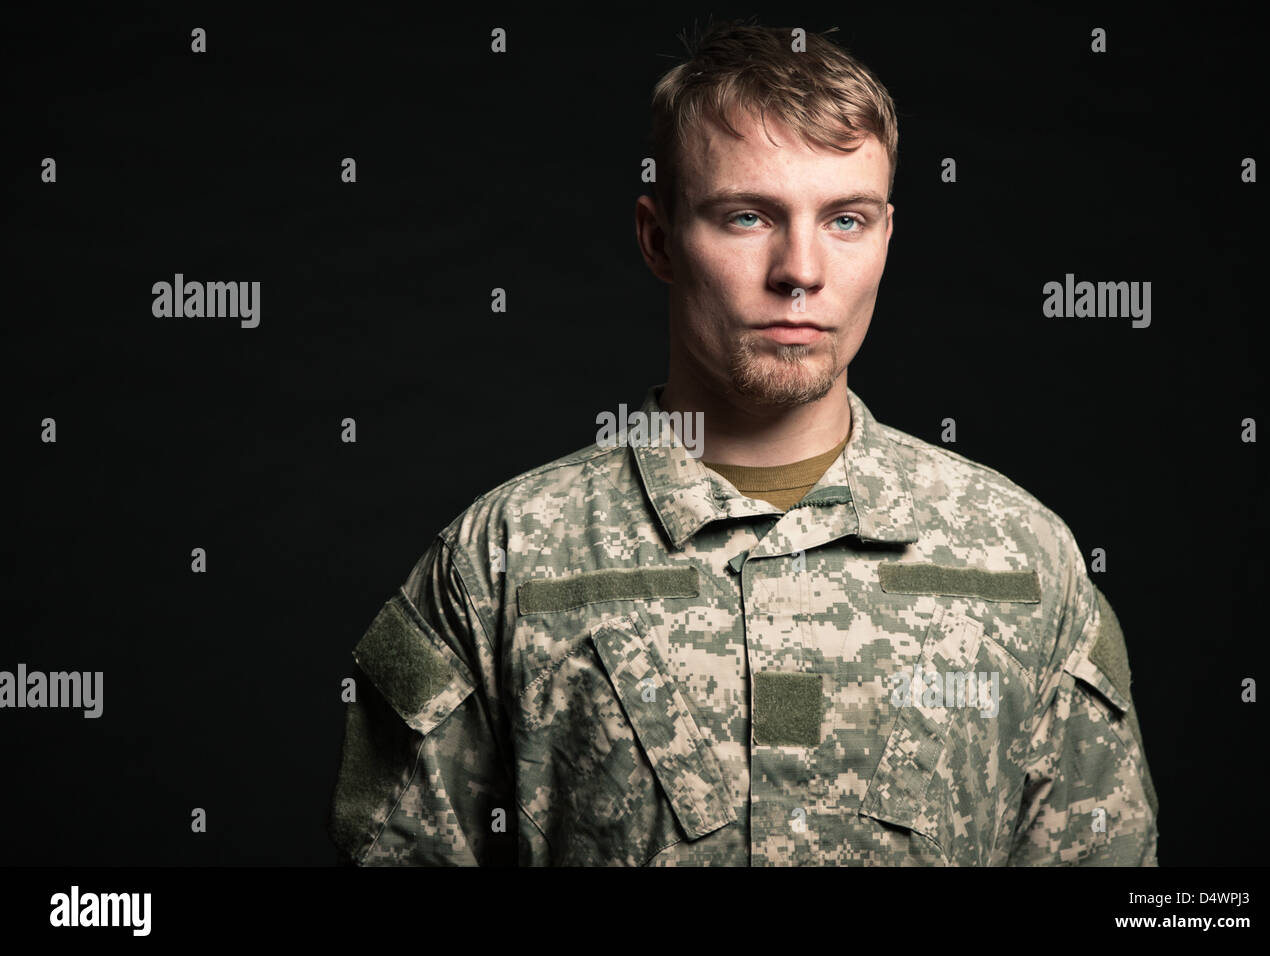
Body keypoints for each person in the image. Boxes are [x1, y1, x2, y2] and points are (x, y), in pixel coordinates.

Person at [327, 20, 1158, 866]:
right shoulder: (503, 564)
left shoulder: (1024, 563)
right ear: (659, 239)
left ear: (885, 239)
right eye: (749, 216)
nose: (799, 269)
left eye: (845, 219)